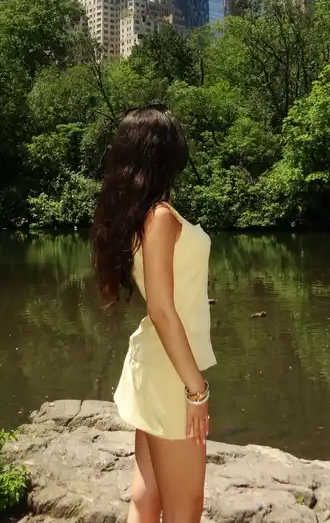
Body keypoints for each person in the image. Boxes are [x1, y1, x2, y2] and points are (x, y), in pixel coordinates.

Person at [91, 106, 216, 523]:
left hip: (158, 363)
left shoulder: (143, 213)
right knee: (185, 509)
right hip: (170, 374)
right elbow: (161, 308)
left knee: (146, 499)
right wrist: (196, 391)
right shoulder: (158, 217)